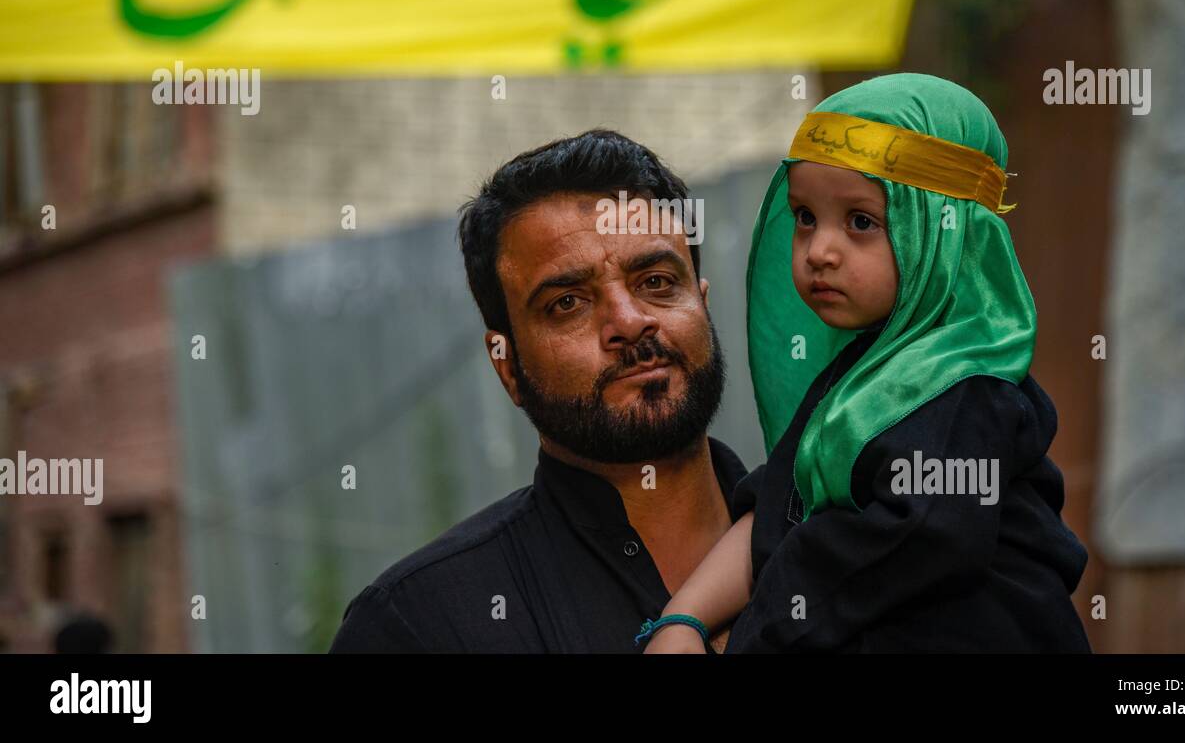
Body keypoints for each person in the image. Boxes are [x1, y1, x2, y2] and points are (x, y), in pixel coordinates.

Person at [640, 73, 1092, 653]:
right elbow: (780, 509)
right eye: (805, 216)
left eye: (860, 222)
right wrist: (683, 622)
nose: (819, 250)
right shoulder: (859, 375)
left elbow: (905, 540)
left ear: (943, 237)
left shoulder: (966, 392)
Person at [331, 130, 747, 652]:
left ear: (703, 306)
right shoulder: (421, 625)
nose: (630, 320)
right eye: (567, 303)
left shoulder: (835, 536)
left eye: (658, 282)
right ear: (507, 368)